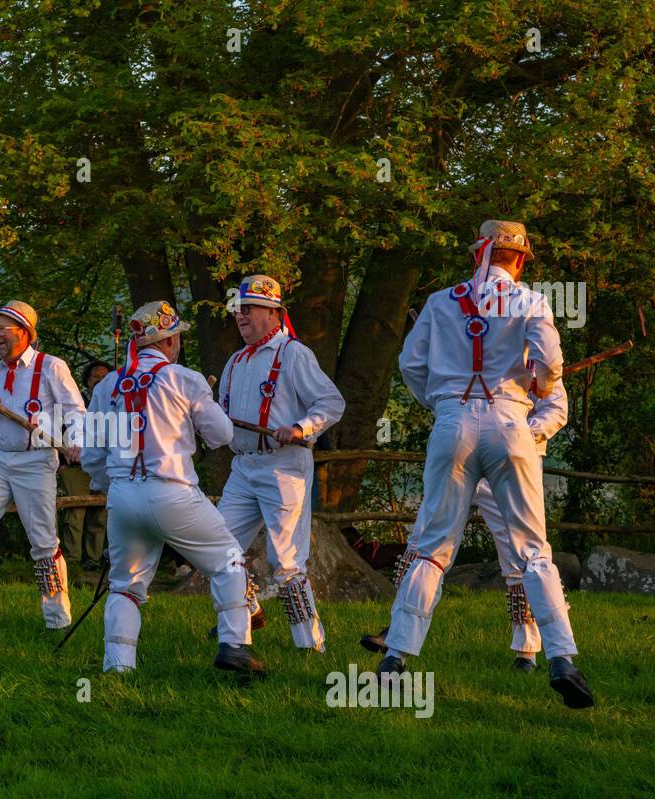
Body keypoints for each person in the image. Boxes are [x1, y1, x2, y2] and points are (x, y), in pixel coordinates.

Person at [378, 219, 592, 709]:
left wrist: (442, 402)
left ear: (481, 253)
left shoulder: (439, 302)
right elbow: (551, 361)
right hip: (512, 423)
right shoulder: (530, 300)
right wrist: (536, 381)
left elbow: (411, 364)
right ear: (518, 259)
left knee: (432, 546)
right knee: (533, 550)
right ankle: (561, 659)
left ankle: (395, 658)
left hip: (453, 421)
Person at [81, 301, 260, 676]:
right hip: (172, 491)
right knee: (229, 562)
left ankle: (118, 668)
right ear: (171, 339)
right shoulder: (184, 378)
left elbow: (92, 454)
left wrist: (104, 485)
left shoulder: (109, 385)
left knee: (126, 586)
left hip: (123, 495)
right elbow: (222, 435)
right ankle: (235, 647)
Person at [361, 382, 569, 671]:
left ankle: (527, 650)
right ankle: (396, 632)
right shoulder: (477, 346)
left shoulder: (535, 350)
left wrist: (519, 433)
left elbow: (556, 409)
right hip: (462, 453)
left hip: (510, 464)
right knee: (424, 542)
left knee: (517, 554)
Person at [215, 275, 346, 652]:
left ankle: (310, 646)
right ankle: (248, 612)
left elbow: (331, 403)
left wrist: (301, 426)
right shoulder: (235, 362)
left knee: (286, 561)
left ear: (274, 314)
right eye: (239, 309)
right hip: (243, 467)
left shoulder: (294, 354)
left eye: (249, 309)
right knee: (217, 547)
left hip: (283, 466)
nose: (241, 316)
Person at [0, 300, 86, 629]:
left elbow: (75, 410)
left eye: (2, 329)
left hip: (36, 460)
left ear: (25, 332)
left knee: (43, 541)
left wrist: (75, 442)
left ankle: (57, 620)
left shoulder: (51, 367)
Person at [59, 360, 110, 571]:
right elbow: (61, 427)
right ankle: (71, 559)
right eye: (95, 377)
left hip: (104, 464)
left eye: (104, 377)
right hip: (76, 466)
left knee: (99, 514)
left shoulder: (115, 401)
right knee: (75, 512)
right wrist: (62, 462)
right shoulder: (76, 401)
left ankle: (93, 560)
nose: (99, 381)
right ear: (87, 381)